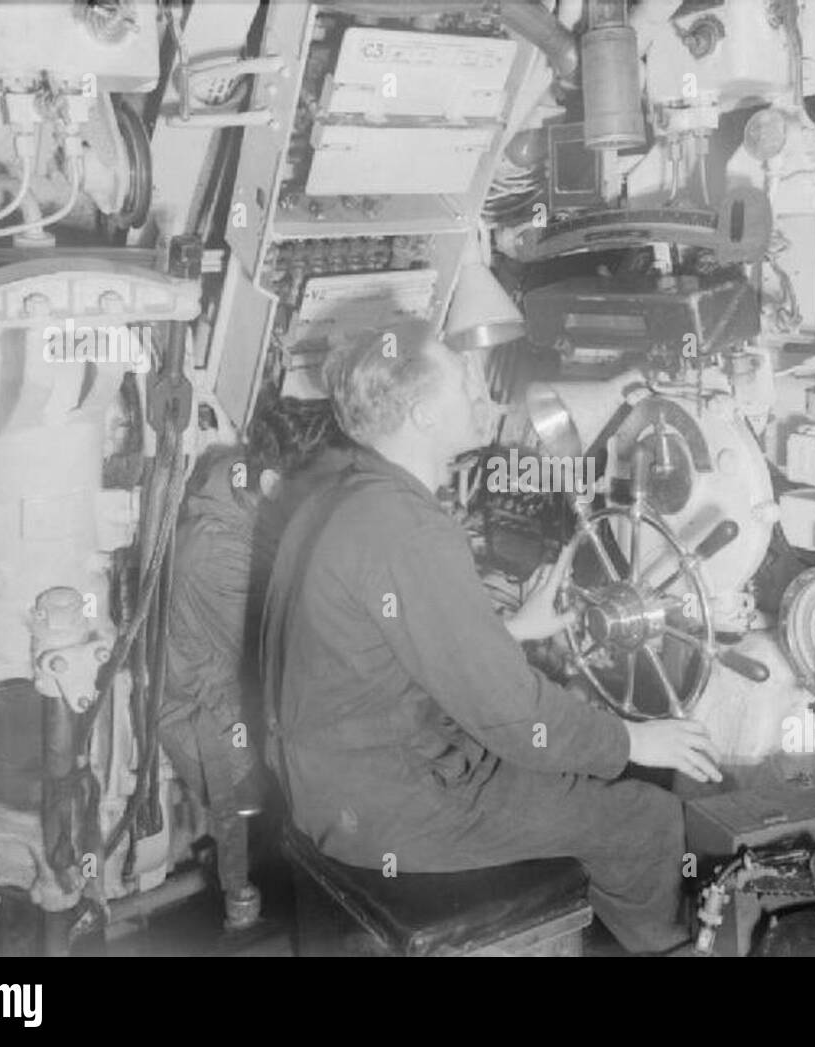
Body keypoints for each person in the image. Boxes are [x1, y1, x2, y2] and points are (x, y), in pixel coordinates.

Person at [261, 321, 722, 953]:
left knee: (572, 756)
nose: (485, 398)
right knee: (647, 819)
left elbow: (382, 655)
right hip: (391, 807)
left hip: (331, 782)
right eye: (465, 385)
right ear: (423, 414)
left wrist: (511, 630)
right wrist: (637, 739)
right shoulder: (409, 530)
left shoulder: (334, 499)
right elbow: (516, 720)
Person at [161, 390, 335, 929]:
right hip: (217, 727)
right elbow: (302, 662)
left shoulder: (243, 484)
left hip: (233, 691)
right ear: (270, 484)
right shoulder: (219, 557)